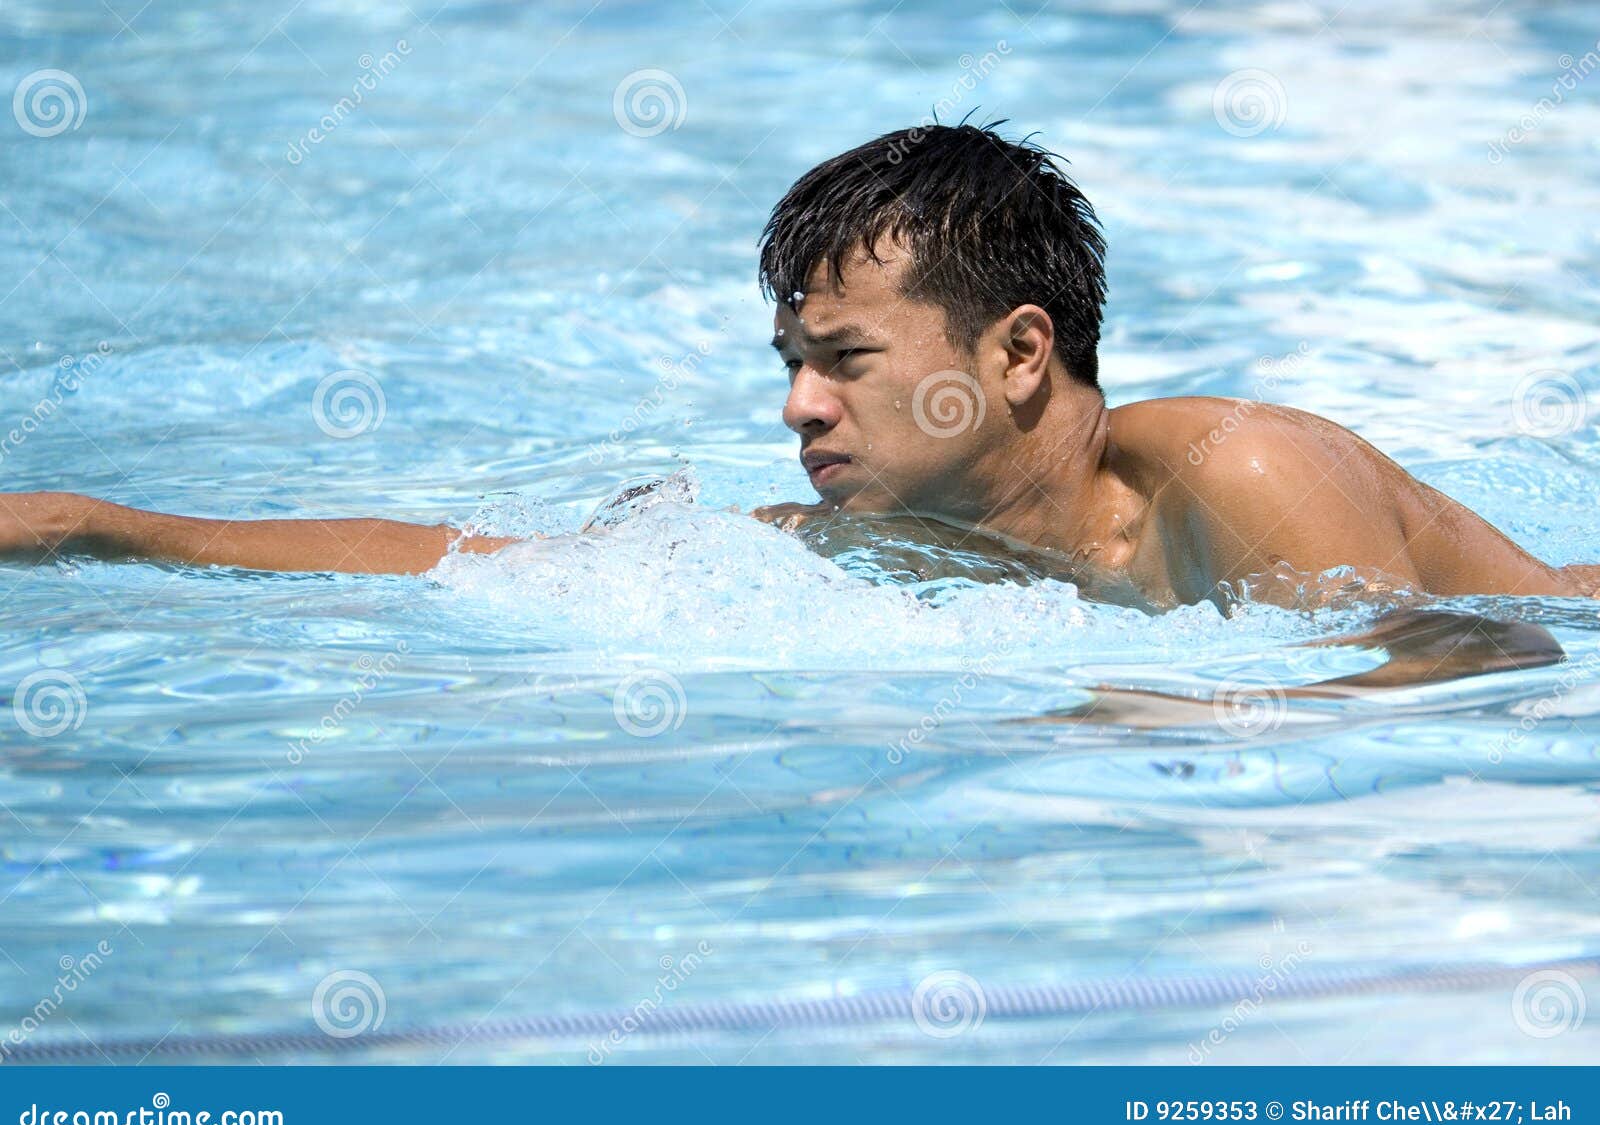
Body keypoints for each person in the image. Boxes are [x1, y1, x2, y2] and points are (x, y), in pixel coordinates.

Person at [1, 122, 1594, 613]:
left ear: (1019, 354)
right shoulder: (904, 536)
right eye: (789, 361)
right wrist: (102, 524)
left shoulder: (1236, 474)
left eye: (842, 358)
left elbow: (1463, 683)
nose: (797, 406)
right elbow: (481, 562)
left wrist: (1136, 720)